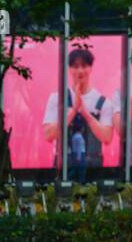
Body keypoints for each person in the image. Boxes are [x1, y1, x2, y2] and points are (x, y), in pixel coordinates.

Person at [43, 46, 121, 184]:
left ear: (90, 68)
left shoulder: (103, 102)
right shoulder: (57, 98)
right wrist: (73, 111)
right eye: (75, 66)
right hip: (63, 168)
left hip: (93, 170)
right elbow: (48, 135)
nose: (79, 71)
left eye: (84, 66)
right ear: (69, 69)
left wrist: (85, 113)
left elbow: (107, 137)